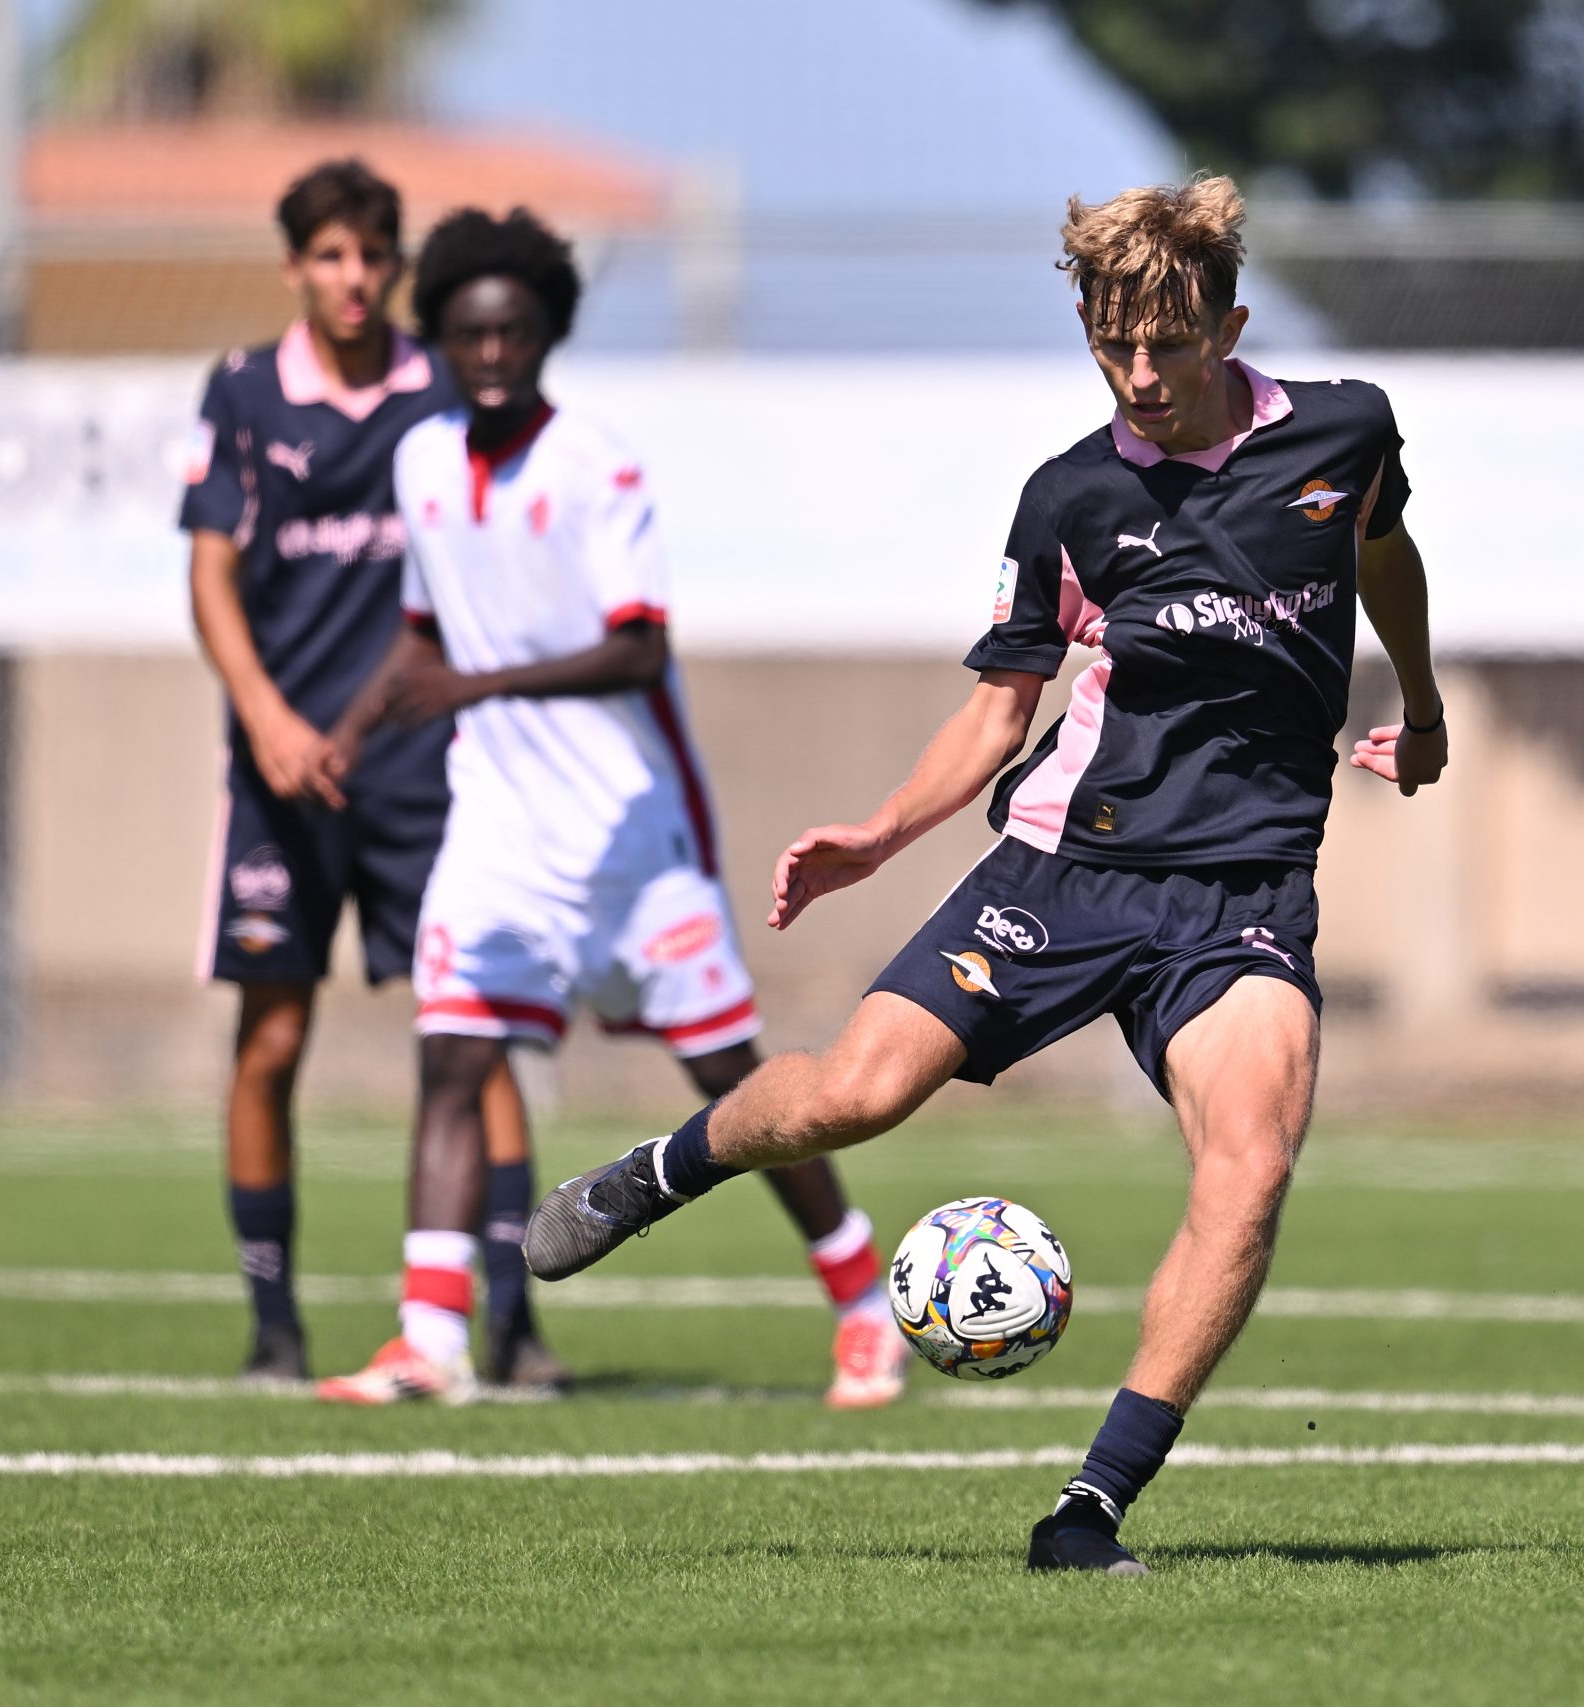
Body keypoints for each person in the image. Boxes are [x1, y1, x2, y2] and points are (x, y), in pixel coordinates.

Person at [524, 176, 1446, 1572]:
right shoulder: (1072, 498)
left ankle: (1090, 1509)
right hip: (1066, 869)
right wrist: (881, 833)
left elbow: (1382, 550)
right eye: (1112, 341)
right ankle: (666, 1165)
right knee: (855, 1094)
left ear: (1229, 324)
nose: (1140, 374)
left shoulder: (1344, 429)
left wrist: (1423, 704)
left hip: (1244, 895)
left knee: (1249, 1167)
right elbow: (1000, 709)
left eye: (1168, 344)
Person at [311, 207, 910, 1409]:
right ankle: (428, 1340)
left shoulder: (597, 465)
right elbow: (426, 633)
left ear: (547, 334)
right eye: (471, 333)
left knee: (728, 1081)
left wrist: (465, 687)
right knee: (451, 1057)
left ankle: (860, 1303)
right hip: (497, 831)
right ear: (441, 338)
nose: (492, 354)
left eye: (515, 332)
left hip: (634, 835)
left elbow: (638, 653)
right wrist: (355, 722)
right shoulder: (420, 461)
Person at [181, 159, 563, 1388]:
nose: (356, 278)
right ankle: (271, 1323)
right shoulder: (243, 393)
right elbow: (210, 576)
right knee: (272, 1038)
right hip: (282, 778)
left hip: (427, 775)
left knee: (470, 1036)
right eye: (331, 255)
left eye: (374, 254)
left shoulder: (447, 385)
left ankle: (509, 1322)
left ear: (398, 263)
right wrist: (270, 722)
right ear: (295, 265)